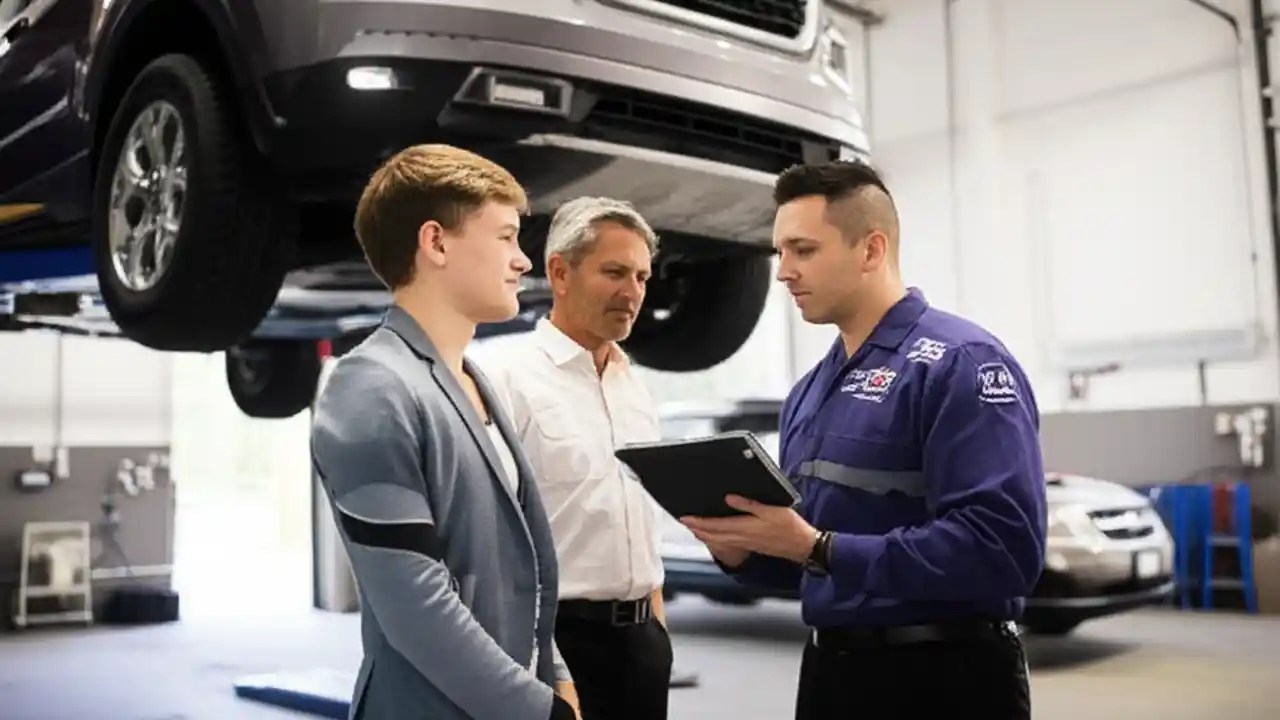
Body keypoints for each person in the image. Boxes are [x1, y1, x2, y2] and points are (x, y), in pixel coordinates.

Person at [681, 160, 1047, 719]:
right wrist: (742, 552)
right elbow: (812, 555)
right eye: (780, 252)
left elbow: (1002, 549)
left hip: (945, 677)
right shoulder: (810, 391)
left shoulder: (960, 363)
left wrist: (819, 548)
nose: (784, 272)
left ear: (871, 250)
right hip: (833, 674)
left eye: (804, 250)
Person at [310, 144, 581, 720]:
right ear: (436, 243)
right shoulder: (370, 387)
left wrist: (555, 674)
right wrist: (539, 711)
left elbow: (514, 568)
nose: (523, 261)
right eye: (506, 236)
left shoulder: (474, 381)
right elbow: (417, 607)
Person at [480, 197, 673, 720]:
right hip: (554, 643)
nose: (632, 292)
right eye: (614, 272)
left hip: (642, 646)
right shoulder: (506, 379)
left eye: (641, 277)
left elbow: (640, 522)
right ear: (560, 273)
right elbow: (488, 536)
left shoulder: (632, 385)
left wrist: (656, 627)